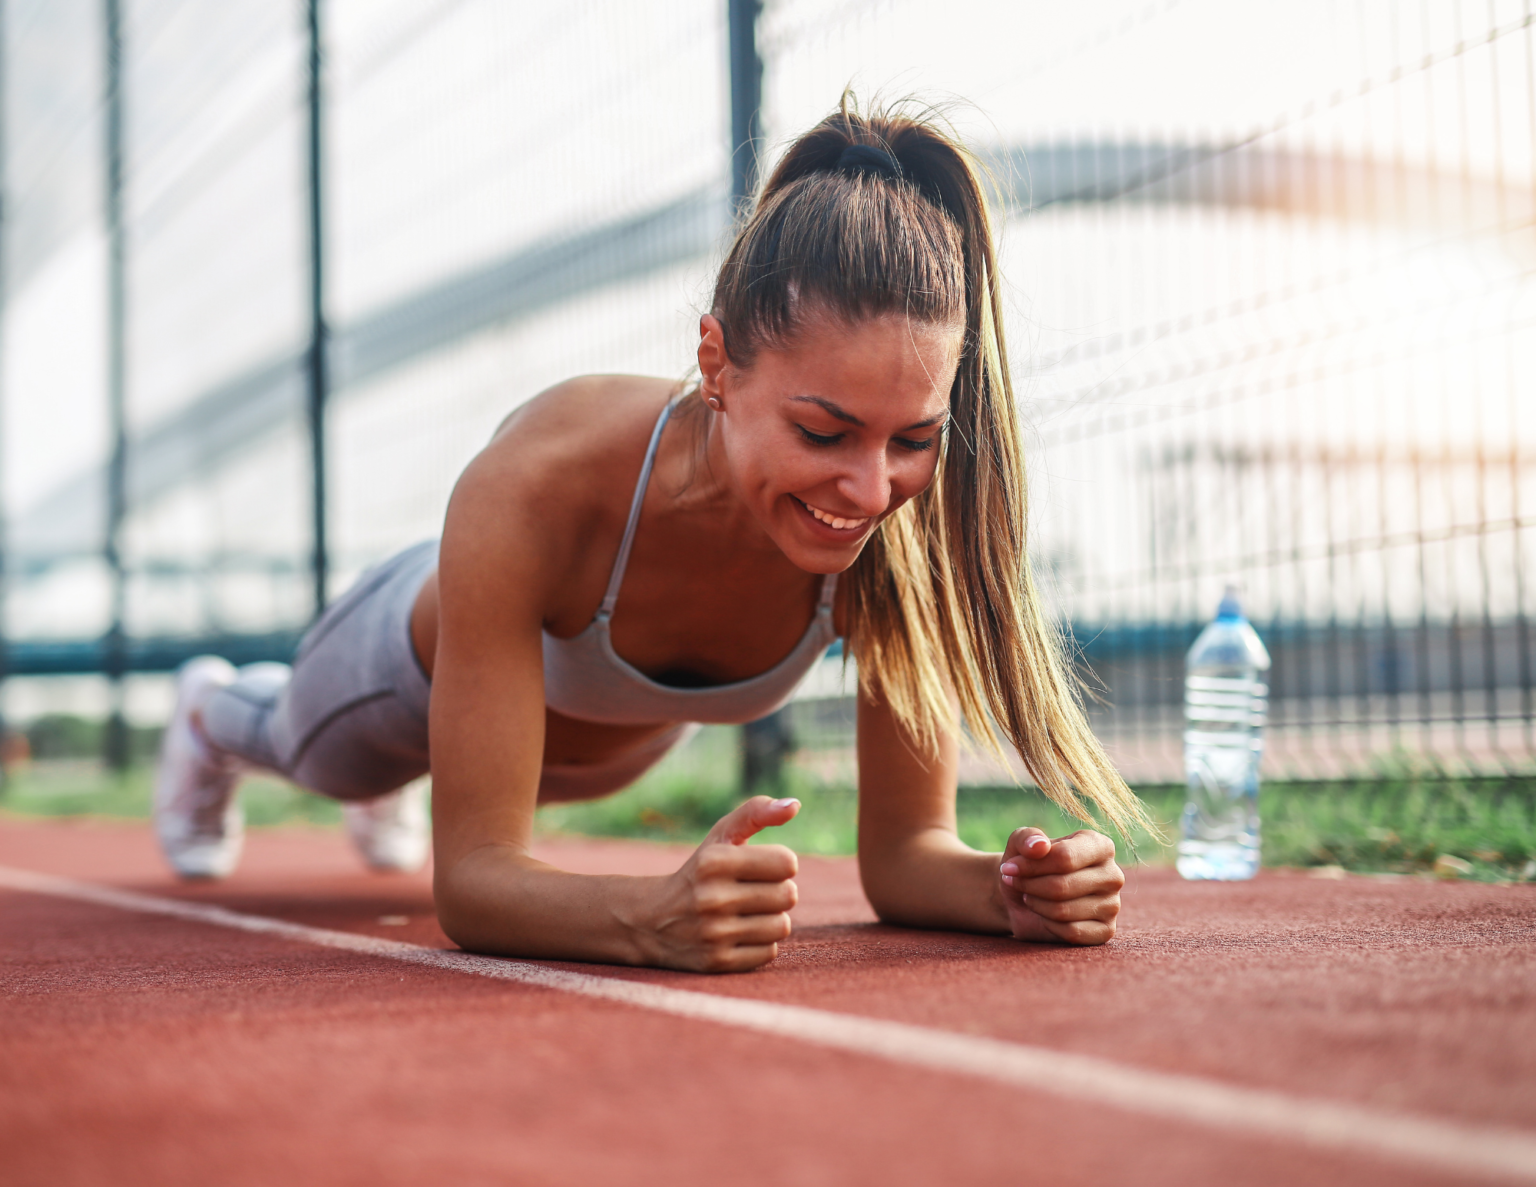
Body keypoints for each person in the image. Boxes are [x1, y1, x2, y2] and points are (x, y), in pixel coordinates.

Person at [154, 99, 1149, 973]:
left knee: (484, 783)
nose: (868, 485)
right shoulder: (535, 487)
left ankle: (424, 777)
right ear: (716, 363)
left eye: (914, 438)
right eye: (822, 429)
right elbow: (473, 884)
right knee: (312, 750)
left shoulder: (894, 534)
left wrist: (1008, 887)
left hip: (598, 743)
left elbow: (905, 853)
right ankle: (208, 714)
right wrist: (647, 915)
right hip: (400, 678)